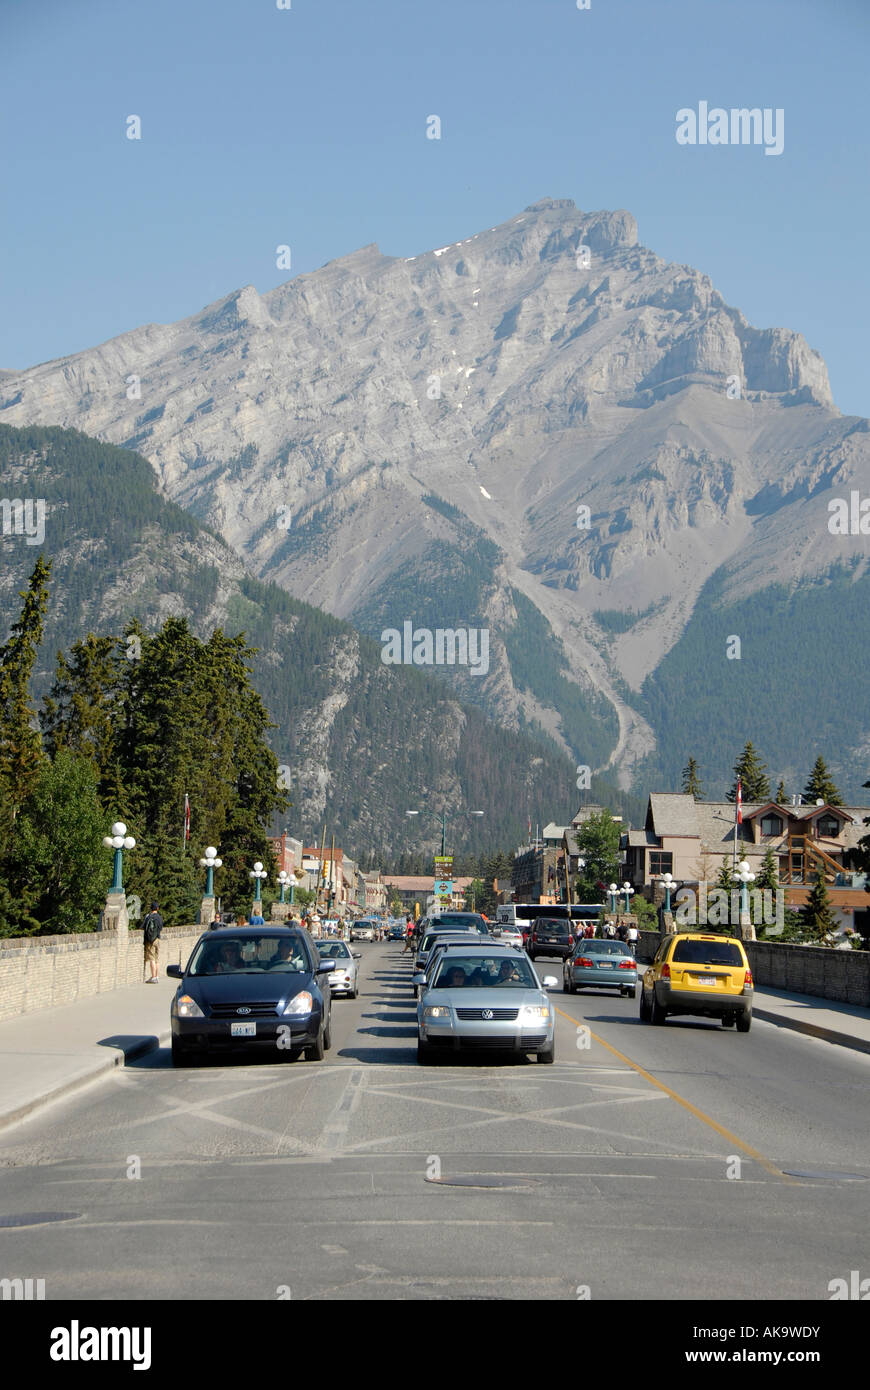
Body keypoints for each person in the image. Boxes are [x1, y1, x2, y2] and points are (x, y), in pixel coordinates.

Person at [142, 901, 163, 982]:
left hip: (150, 940)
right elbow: (161, 928)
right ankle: (157, 976)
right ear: (157, 908)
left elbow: (143, 926)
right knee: (157, 959)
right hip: (157, 939)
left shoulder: (149, 917)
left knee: (152, 959)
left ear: (151, 908)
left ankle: (153, 977)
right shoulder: (159, 917)